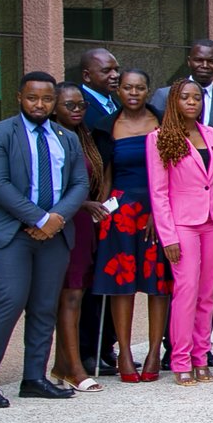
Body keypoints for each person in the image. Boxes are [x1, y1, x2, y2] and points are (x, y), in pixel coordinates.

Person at [0, 73, 90, 408]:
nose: (40, 105)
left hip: (54, 234)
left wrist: (55, 220)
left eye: (47, 99)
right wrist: (39, 219)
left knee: (43, 306)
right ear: (19, 97)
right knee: (9, 301)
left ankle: (33, 378)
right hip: (9, 232)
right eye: (32, 98)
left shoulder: (66, 137)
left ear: (54, 101)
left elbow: (80, 184)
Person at [92, 69, 171, 383]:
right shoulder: (106, 126)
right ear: (119, 91)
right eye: (127, 88)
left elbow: (172, 171)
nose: (134, 93)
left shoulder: (164, 122)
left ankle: (153, 352)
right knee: (120, 285)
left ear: (148, 90)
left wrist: (159, 213)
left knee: (158, 284)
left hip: (158, 209)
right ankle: (124, 353)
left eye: (140, 88)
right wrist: (102, 213)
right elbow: (104, 174)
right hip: (121, 212)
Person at [147, 80, 213, 385]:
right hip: (182, 225)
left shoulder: (212, 135)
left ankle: (201, 357)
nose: (192, 102)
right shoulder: (159, 138)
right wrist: (169, 237)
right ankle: (180, 359)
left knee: (207, 294)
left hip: (212, 222)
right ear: (173, 102)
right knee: (186, 291)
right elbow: (158, 192)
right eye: (185, 98)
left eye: (197, 98)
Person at [49, 84, 107, 393]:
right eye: (68, 104)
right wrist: (80, 204)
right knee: (69, 296)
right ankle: (72, 367)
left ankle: (63, 362)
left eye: (80, 104)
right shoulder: (50, 138)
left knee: (78, 295)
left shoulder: (82, 135)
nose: (76, 109)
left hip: (86, 225)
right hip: (63, 222)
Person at [149, 39, 213, 127]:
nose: (205, 66)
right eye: (199, 60)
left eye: (211, 61)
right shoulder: (165, 95)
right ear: (189, 61)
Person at [73, 48, 122, 129]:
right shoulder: (78, 104)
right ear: (87, 76)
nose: (115, 75)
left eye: (116, 70)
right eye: (106, 71)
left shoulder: (118, 102)